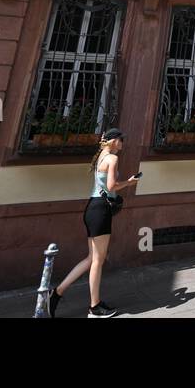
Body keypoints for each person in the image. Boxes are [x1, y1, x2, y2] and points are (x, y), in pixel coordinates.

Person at [50, 128, 140, 318]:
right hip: (101, 211)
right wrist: (129, 182)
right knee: (98, 261)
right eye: (121, 139)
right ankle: (94, 307)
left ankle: (56, 293)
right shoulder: (113, 159)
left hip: (92, 208)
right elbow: (111, 187)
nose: (122, 143)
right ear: (113, 141)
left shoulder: (100, 157)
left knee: (91, 258)